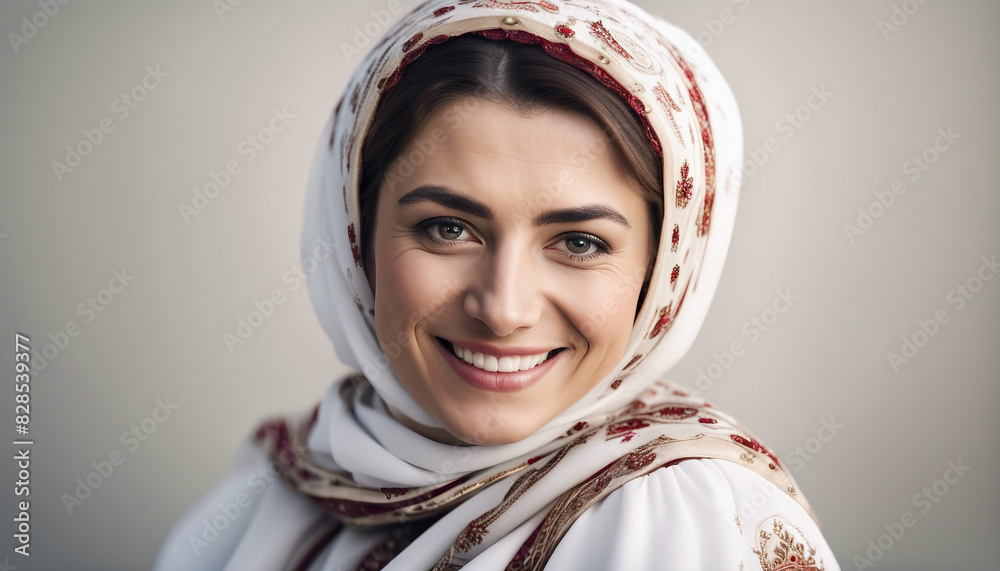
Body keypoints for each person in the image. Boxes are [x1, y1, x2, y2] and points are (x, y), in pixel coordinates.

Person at [154, 0, 842, 569]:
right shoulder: (271, 496)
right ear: (353, 235)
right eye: (449, 229)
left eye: (578, 242)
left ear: (662, 276)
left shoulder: (688, 528)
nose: (503, 308)